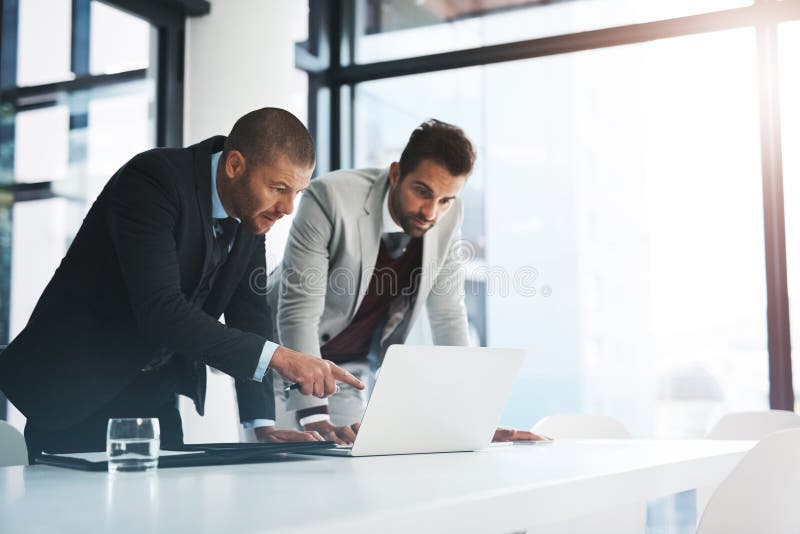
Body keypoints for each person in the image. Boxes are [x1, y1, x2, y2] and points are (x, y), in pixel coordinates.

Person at [0, 107, 364, 462]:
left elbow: (249, 315)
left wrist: (261, 424)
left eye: (296, 193)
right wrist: (282, 358)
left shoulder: (252, 212)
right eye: (279, 188)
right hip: (76, 389)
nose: (287, 207)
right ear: (235, 165)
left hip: (156, 396)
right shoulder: (151, 180)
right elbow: (161, 309)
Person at [251, 119, 542, 444]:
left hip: (345, 373)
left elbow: (448, 315)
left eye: (446, 200)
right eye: (422, 192)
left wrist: (472, 419)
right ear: (395, 174)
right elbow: (297, 312)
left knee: (352, 475)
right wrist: (315, 417)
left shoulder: (448, 216)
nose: (432, 211)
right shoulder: (329, 198)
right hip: (283, 364)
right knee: (284, 477)